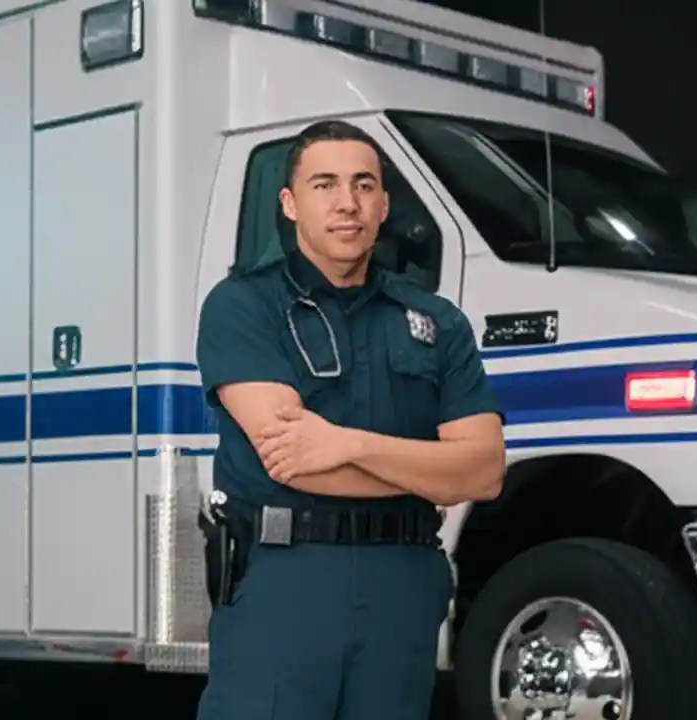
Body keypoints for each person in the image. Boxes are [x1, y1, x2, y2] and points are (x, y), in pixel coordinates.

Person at [193, 119, 506, 720]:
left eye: (364, 186)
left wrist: (345, 443)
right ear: (289, 203)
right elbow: (292, 464)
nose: (347, 203)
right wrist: (433, 471)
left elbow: (486, 472)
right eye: (325, 185)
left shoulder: (437, 321)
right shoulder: (242, 305)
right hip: (287, 581)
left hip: (403, 587)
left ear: (385, 204)